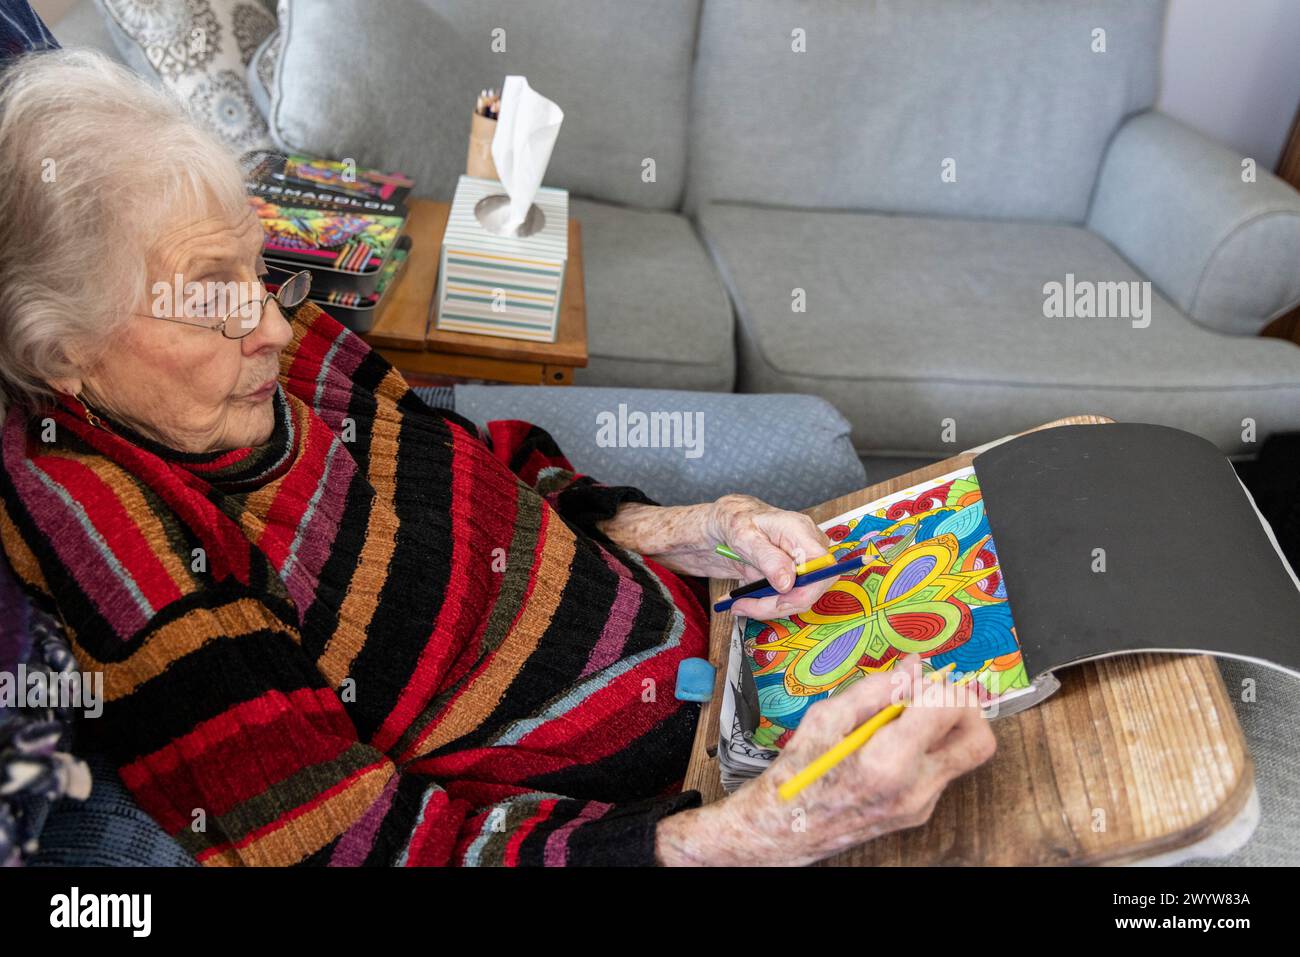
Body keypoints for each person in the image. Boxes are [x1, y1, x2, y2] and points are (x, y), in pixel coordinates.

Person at [0, 50, 995, 866]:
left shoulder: (280, 352)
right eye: (206, 293)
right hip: (678, 809)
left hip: (739, 652)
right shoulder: (127, 542)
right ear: (66, 351)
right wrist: (761, 830)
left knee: (1029, 615)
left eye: (257, 269)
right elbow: (355, 850)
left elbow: (480, 463)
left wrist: (684, 529)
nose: (270, 322)